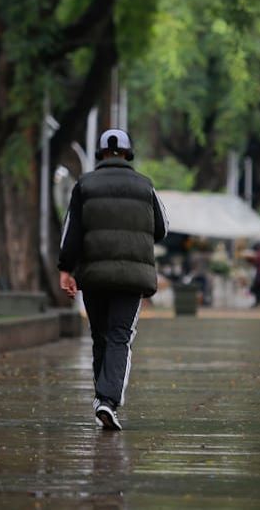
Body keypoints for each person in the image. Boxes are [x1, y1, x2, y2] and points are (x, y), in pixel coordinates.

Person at [58, 128, 169, 431]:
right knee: (120, 337)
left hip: (93, 276)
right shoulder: (145, 187)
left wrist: (65, 270)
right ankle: (108, 400)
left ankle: (101, 397)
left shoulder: (85, 185)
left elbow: (71, 233)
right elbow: (162, 229)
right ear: (127, 154)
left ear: (101, 154)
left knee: (100, 336)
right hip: (132, 278)